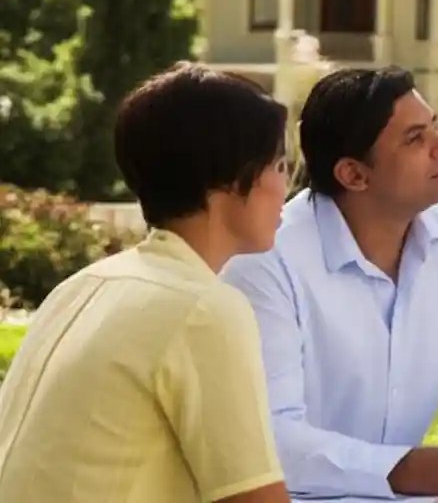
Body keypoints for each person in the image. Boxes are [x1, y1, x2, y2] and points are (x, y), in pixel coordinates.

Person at [221, 66, 438, 502]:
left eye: (434, 127)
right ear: (354, 175)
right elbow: (275, 443)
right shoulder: (266, 262)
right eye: (415, 139)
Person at [0, 63, 292, 503]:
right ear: (232, 178)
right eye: (280, 165)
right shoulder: (203, 308)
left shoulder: (85, 284)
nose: (287, 186)